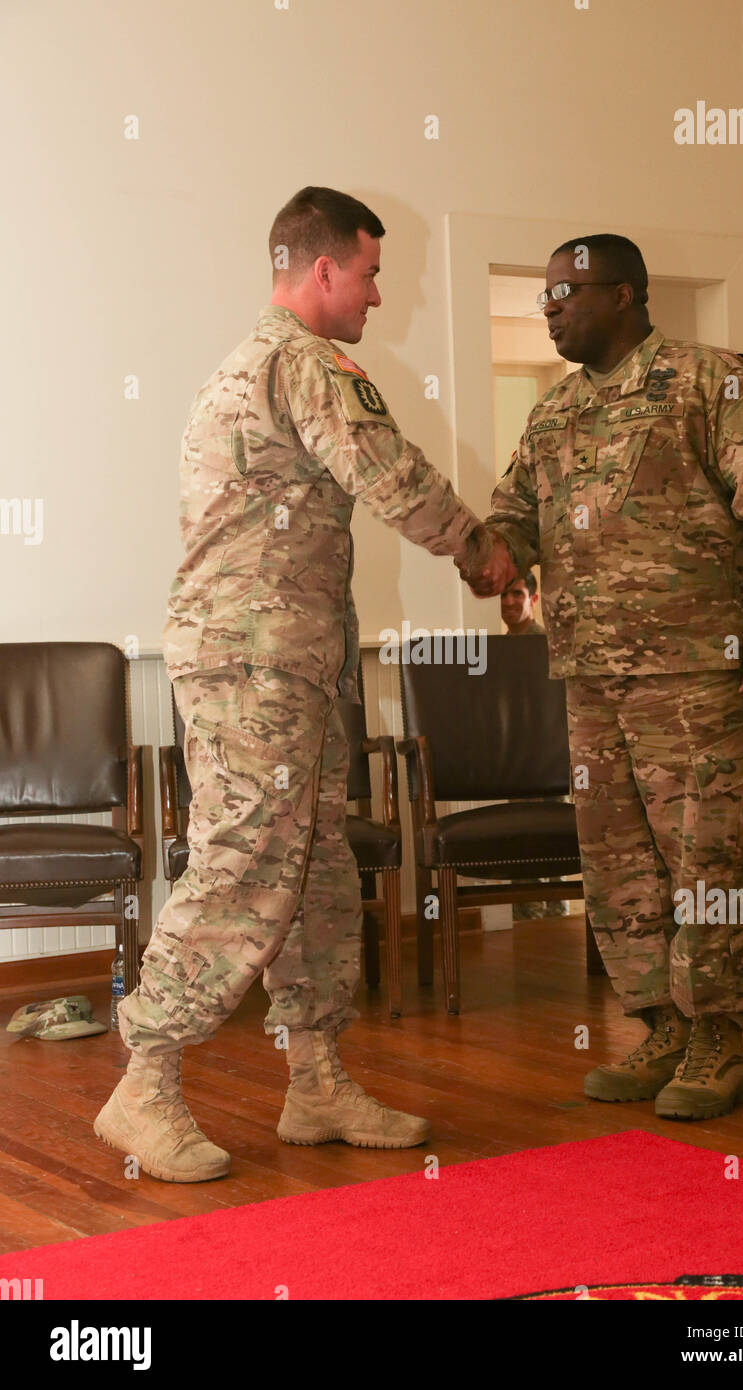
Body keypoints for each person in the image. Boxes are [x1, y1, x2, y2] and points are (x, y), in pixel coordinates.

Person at [94, 186, 512, 1182]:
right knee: (245, 858)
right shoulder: (302, 364)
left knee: (319, 867)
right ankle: (144, 1083)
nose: (376, 292)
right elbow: (390, 475)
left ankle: (316, 1077)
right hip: (255, 662)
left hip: (295, 660)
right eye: (368, 272)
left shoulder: (246, 366)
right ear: (321, 270)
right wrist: (479, 548)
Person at [462, 233, 743, 1120]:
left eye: (568, 292)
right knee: (621, 862)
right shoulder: (553, 416)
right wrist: (492, 552)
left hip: (705, 673)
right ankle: (661, 1024)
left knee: (706, 854)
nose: (551, 307)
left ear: (626, 295)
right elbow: (518, 512)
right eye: (545, 296)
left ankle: (718, 1042)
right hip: (592, 676)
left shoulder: (712, 380)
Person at [501, 572, 569, 920]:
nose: (509, 602)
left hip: (547, 753)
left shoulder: (546, 645)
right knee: (519, 834)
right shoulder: (501, 649)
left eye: (517, 594)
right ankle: (527, 910)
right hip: (515, 754)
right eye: (503, 595)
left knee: (550, 833)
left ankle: (555, 911)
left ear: (534, 599)